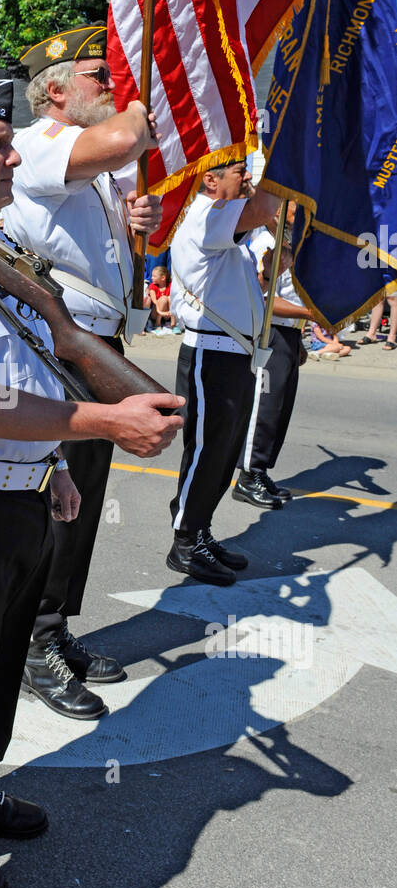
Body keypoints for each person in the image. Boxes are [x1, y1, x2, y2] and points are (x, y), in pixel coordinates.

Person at [0, 70, 184, 888]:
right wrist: (99, 425)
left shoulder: (2, 254)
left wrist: (50, 465)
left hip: (20, 491)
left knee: (2, 657)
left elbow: (25, 365)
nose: (14, 156)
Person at [1, 24, 164, 717]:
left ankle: (55, 626)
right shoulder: (37, 142)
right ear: (55, 90)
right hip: (60, 350)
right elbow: (125, 139)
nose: (111, 86)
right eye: (97, 74)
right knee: (56, 503)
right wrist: (137, 122)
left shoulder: (77, 162)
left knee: (84, 503)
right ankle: (31, 640)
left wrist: (136, 219)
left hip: (97, 344)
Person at [167, 161, 279, 583]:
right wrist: (285, 156)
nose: (246, 177)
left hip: (235, 354)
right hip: (210, 354)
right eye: (237, 170)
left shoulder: (223, 224)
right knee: (206, 451)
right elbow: (264, 205)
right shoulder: (205, 214)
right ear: (210, 179)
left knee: (224, 453)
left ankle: (199, 529)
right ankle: (185, 541)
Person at [234, 222, 319, 508]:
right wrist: (312, 314)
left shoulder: (296, 249)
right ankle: (248, 476)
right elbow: (266, 296)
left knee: (280, 408)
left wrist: (300, 338)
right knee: (265, 407)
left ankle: (260, 469)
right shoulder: (267, 245)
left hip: (290, 333)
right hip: (271, 331)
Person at [146, 264, 177, 333]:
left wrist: (168, 312)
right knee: (163, 298)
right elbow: (155, 301)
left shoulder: (170, 286)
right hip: (156, 313)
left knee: (170, 298)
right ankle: (157, 324)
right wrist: (160, 312)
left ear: (163, 278)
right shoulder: (152, 286)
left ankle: (173, 324)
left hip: (167, 314)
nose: (151, 278)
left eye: (154, 276)